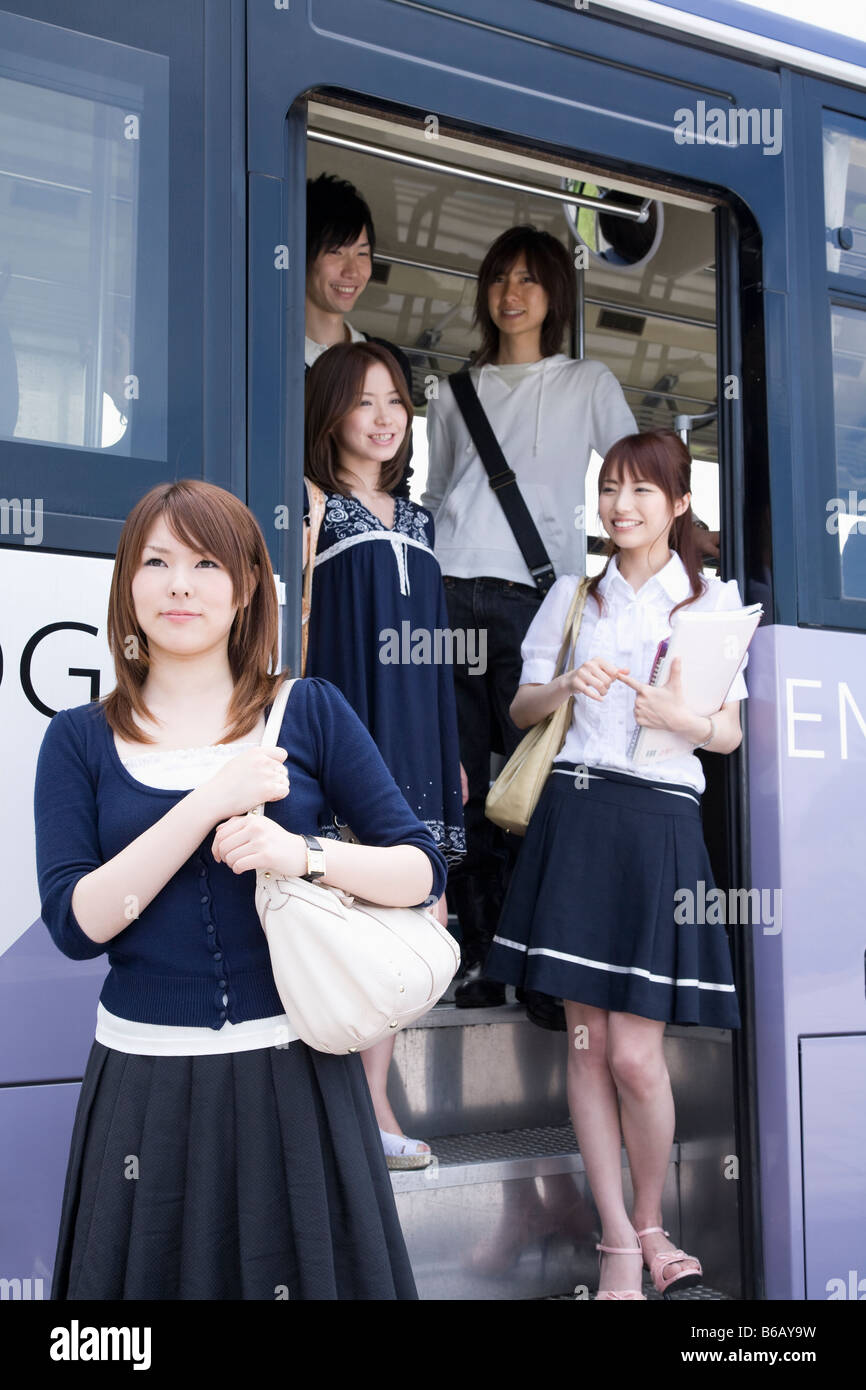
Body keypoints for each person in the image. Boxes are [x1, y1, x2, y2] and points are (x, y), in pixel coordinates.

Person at [34, 478, 447, 1300]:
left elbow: (419, 868)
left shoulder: (308, 710)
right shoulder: (78, 739)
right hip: (145, 1088)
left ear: (249, 584)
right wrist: (208, 803)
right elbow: (78, 924)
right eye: (156, 562)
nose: (179, 585)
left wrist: (303, 855)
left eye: (205, 564)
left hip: (296, 1082)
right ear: (127, 583)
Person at [484, 430, 746, 1299]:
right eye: (609, 489)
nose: (620, 506)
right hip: (579, 810)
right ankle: (619, 1247)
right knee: (589, 1047)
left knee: (636, 1056)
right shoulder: (572, 596)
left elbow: (728, 734)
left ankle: (652, 1223)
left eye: (641, 491)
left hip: (661, 822)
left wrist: (683, 717)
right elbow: (521, 707)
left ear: (680, 504)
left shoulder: (712, 603)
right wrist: (568, 685)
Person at [422, 224, 637, 1015]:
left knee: (538, 781)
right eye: (498, 279)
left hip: (538, 600)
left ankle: (543, 961)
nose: (510, 295)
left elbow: (634, 472)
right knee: (461, 784)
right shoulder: (452, 391)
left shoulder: (587, 381)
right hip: (448, 591)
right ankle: (481, 957)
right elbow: (437, 495)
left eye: (528, 280)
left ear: (555, 294)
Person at [304, 340, 466, 1169]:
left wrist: (449, 747)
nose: (383, 418)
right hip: (349, 736)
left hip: (418, 740)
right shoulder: (311, 506)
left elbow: (433, 648)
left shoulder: (421, 519)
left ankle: (368, 1103)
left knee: (415, 930)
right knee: (353, 928)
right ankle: (362, 1110)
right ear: (330, 411)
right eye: (364, 401)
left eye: (396, 401)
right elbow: (301, 632)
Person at [305, 172, 414, 496]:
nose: (352, 270)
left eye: (362, 253)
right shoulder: (268, 359)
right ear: (302, 253)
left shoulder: (390, 360)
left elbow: (398, 478)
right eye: (335, 252)